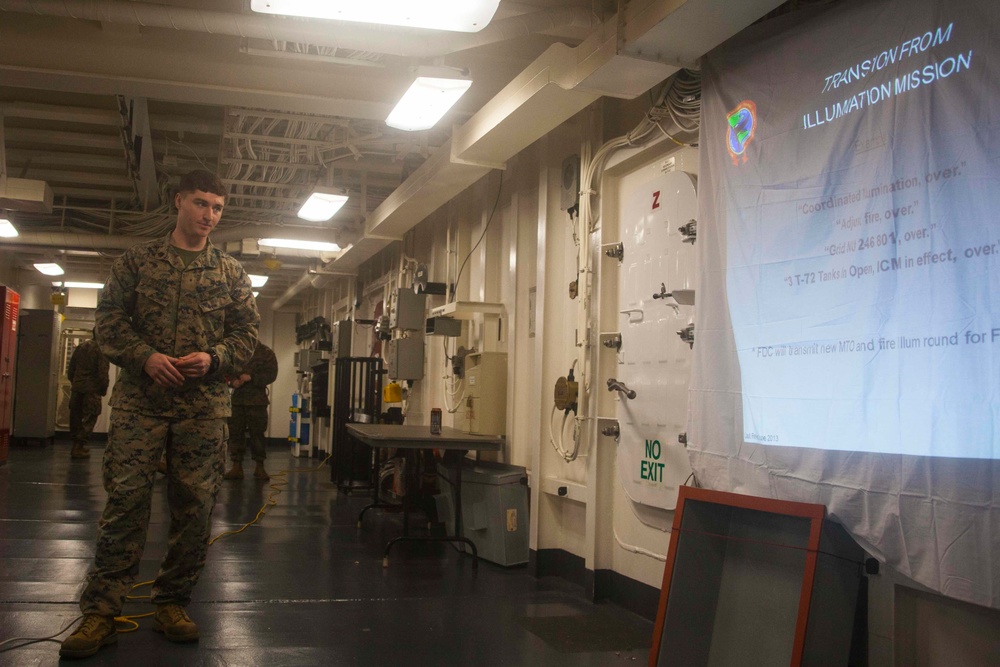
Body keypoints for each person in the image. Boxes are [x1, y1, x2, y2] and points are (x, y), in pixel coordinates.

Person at [59, 170, 259, 659]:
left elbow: (246, 335)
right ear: (178, 203)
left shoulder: (231, 273)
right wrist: (143, 356)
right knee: (125, 504)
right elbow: (108, 321)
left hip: (203, 409)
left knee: (194, 508)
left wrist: (214, 358)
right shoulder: (138, 262)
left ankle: (172, 602)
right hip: (139, 405)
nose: (209, 215)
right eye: (200, 204)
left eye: (216, 207)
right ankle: (101, 611)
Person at [223, 341, 278, 481]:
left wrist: (252, 377)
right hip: (238, 400)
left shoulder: (265, 352)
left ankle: (260, 466)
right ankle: (236, 466)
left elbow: (272, 374)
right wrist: (232, 381)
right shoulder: (235, 351)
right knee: (235, 433)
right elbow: (225, 370)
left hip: (257, 401)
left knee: (257, 434)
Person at [66, 336, 110, 459]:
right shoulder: (101, 349)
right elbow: (102, 372)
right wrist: (103, 389)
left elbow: (71, 368)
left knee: (76, 417)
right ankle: (79, 446)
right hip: (92, 390)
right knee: (90, 418)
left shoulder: (81, 347)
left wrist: (75, 382)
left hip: (77, 388)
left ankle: (76, 445)